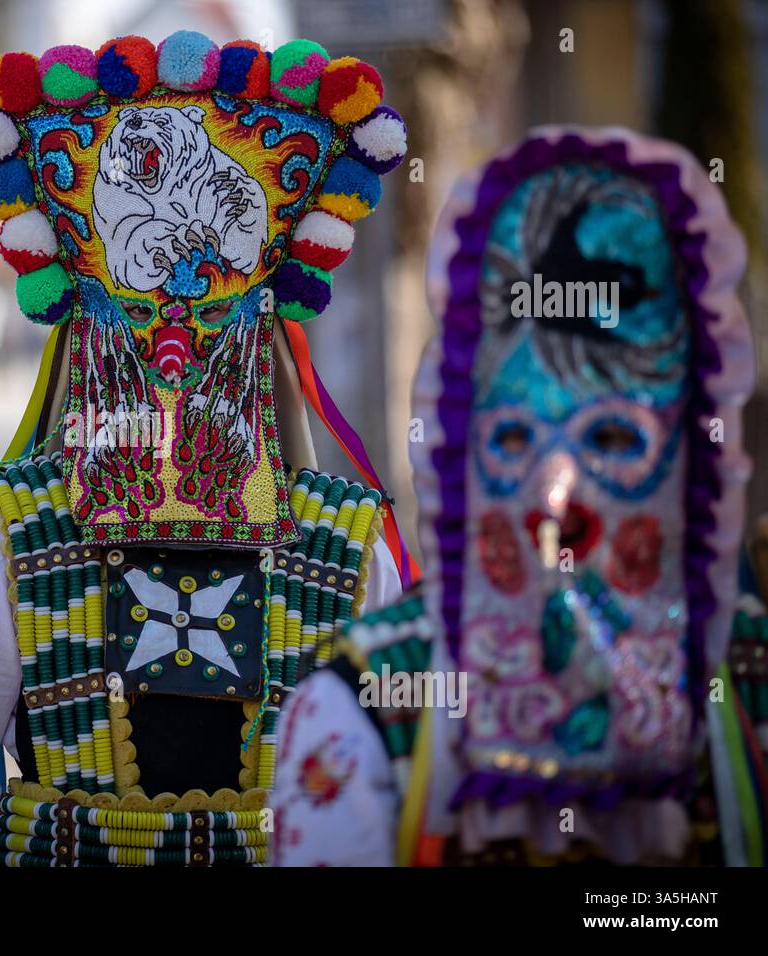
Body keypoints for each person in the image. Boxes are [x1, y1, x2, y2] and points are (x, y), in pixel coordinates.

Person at [0, 31, 416, 867]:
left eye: (211, 321)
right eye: (137, 319)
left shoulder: (346, 545)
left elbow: (406, 774)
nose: (174, 356)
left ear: (263, 332)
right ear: (85, 333)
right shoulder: (13, 533)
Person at [271, 127, 766, 866]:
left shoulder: (750, 674)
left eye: (613, 441)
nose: (555, 496)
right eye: (514, 441)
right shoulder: (365, 702)